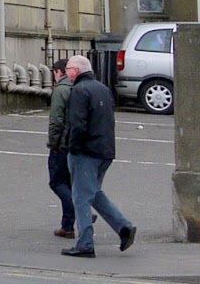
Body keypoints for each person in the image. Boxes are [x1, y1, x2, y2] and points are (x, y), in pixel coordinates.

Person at [62, 54, 137, 257]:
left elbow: (77, 124)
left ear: (76, 70)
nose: (66, 72)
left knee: (80, 197)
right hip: (105, 150)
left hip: (86, 151)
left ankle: (85, 243)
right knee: (94, 193)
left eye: (68, 68)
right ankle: (123, 227)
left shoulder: (79, 90)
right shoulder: (102, 89)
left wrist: (72, 148)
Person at [45, 59, 75, 238]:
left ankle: (79, 211)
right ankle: (67, 226)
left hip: (62, 144)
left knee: (56, 182)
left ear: (58, 72)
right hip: (76, 143)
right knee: (69, 184)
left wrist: (53, 143)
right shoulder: (77, 88)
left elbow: (56, 120)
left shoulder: (60, 91)